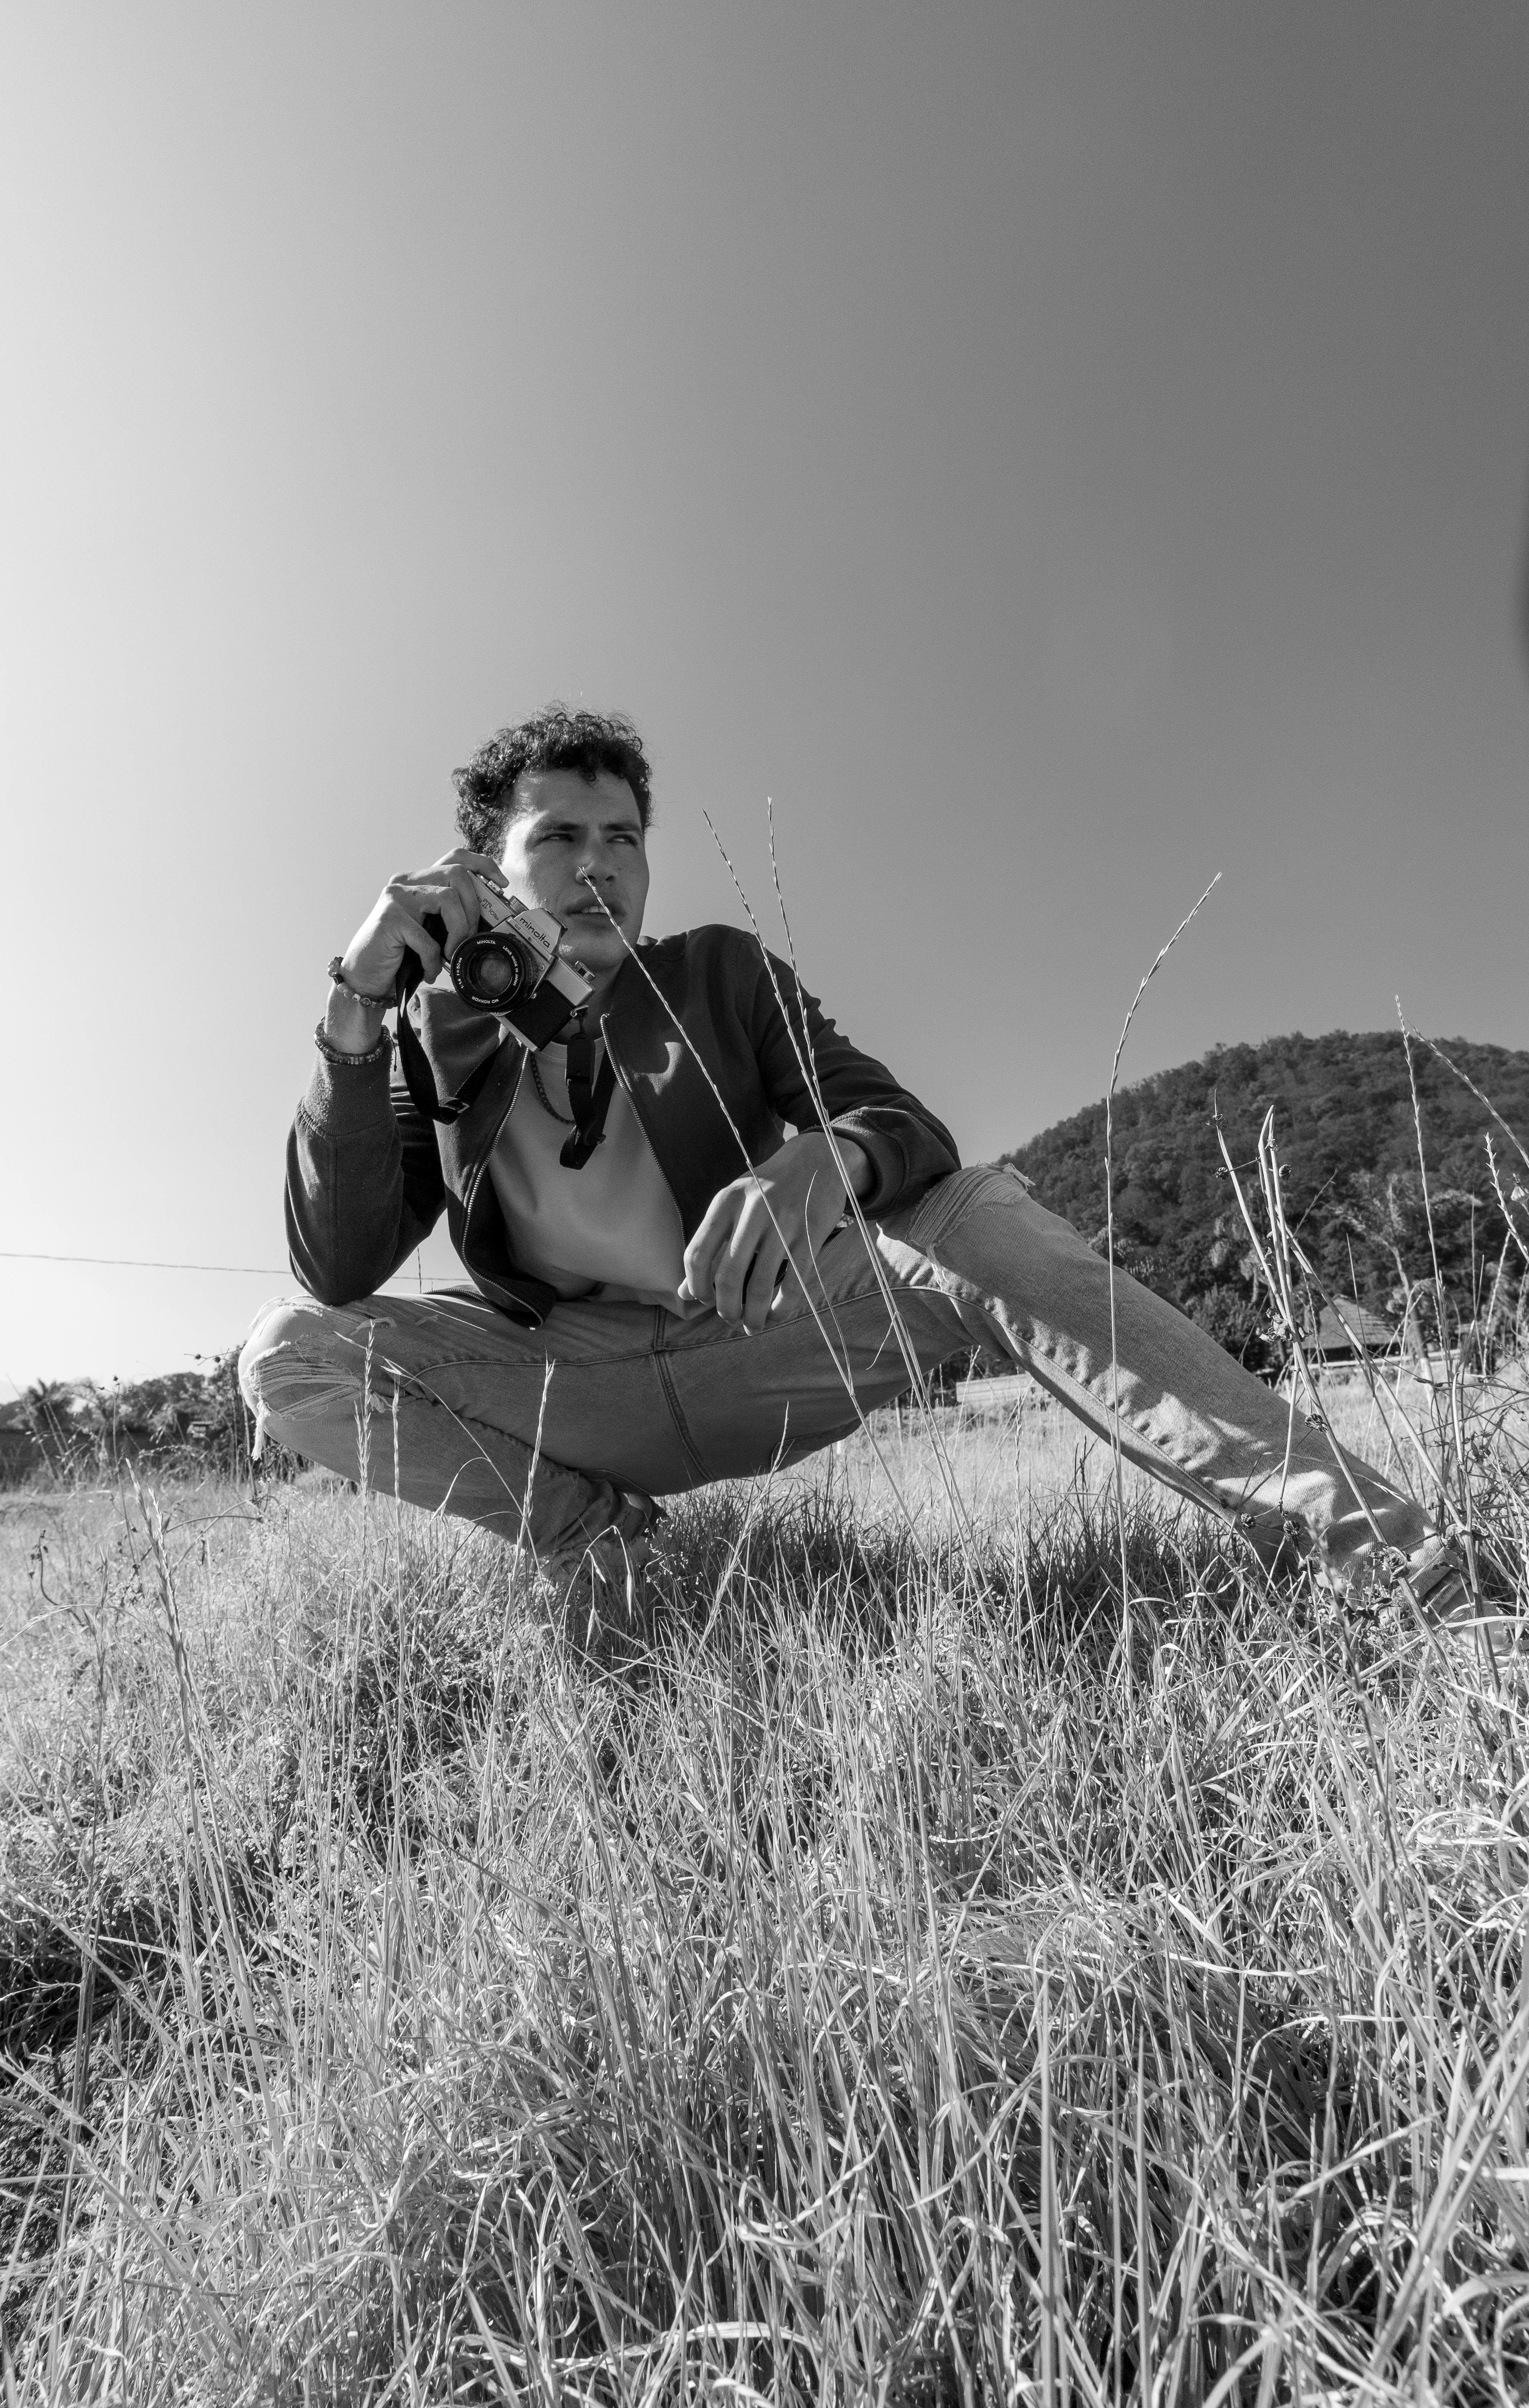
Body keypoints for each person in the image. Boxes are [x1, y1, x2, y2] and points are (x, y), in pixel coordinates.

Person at [241, 705, 1466, 1630]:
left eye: (623, 838)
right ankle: (602, 1543)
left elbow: (899, 1123)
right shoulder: (422, 1038)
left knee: (970, 1207)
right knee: (286, 1354)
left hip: (770, 1338)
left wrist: (821, 1159)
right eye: (557, 836)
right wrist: (355, 1012)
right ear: (481, 872)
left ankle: (1377, 1560)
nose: (599, 865)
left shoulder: (717, 972)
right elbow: (335, 1264)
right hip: (586, 1383)